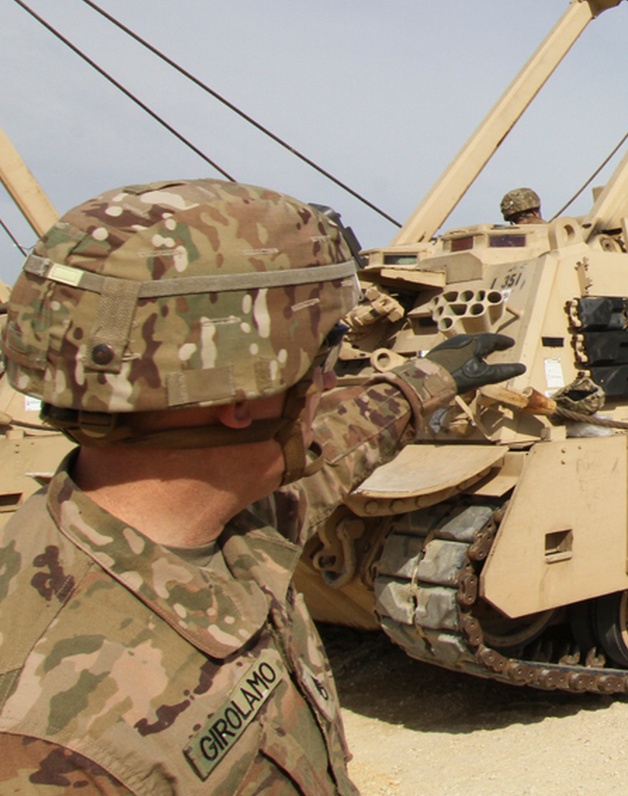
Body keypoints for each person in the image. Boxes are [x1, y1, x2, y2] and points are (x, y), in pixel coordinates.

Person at [0, 179, 523, 794]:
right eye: (328, 346)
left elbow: (329, 454)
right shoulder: (53, 747)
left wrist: (423, 381)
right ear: (244, 394)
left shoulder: (229, 522)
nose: (334, 373)